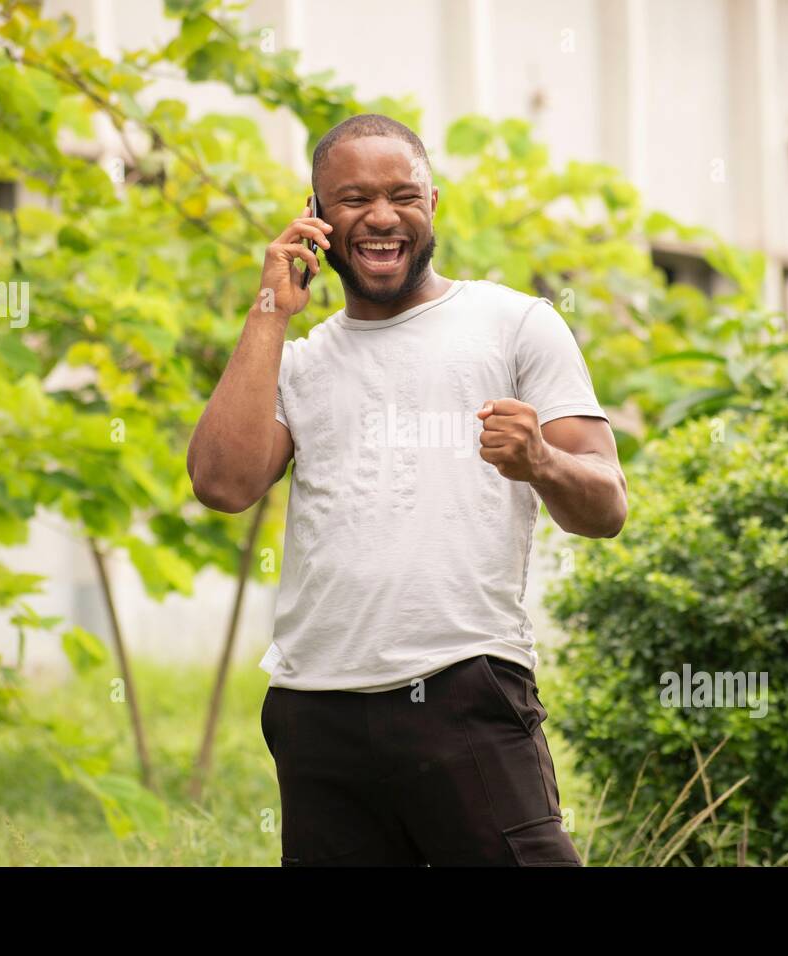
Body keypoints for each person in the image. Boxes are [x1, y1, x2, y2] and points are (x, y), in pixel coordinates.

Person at [186, 114, 627, 866]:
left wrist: (541, 463)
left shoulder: (516, 323)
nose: (382, 217)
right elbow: (222, 483)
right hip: (315, 708)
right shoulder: (300, 361)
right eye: (353, 198)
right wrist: (270, 311)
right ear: (316, 215)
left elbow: (607, 505)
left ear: (433, 203)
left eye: (403, 195)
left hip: (463, 688)